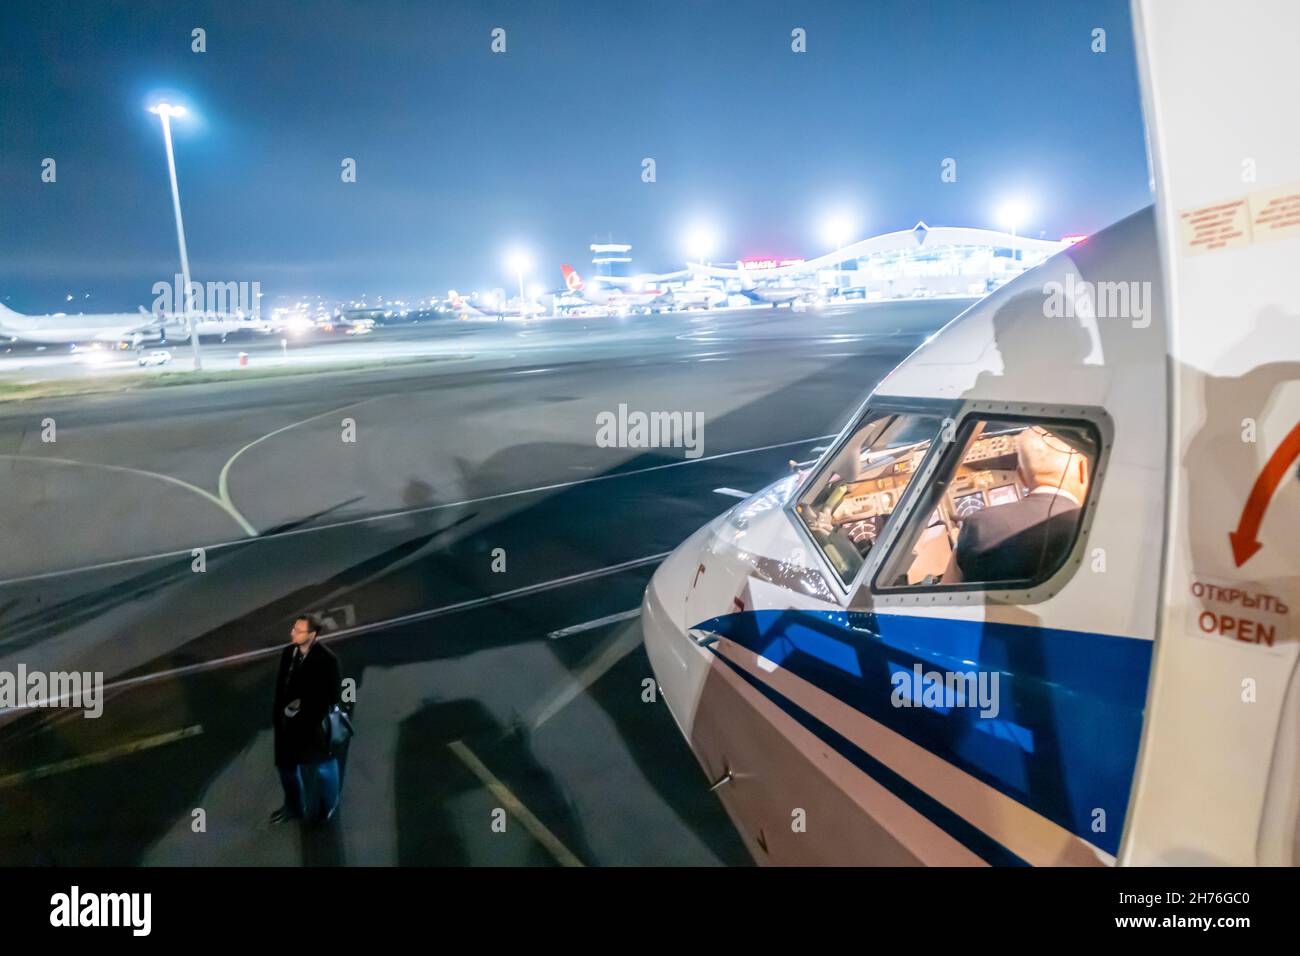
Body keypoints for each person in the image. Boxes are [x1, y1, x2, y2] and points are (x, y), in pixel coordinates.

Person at [945, 426, 1089, 584]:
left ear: (1021, 476)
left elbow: (945, 593)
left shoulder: (976, 524)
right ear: (1083, 470)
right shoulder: (1091, 527)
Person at [270, 614, 343, 825]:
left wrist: (304, 705)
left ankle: (328, 806)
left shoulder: (327, 660)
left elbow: (333, 695)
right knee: (286, 767)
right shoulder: (288, 653)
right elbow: (281, 687)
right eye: (294, 628)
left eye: (299, 631)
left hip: (312, 726)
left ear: (311, 635)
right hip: (287, 724)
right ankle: (293, 806)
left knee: (323, 767)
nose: (293, 633)